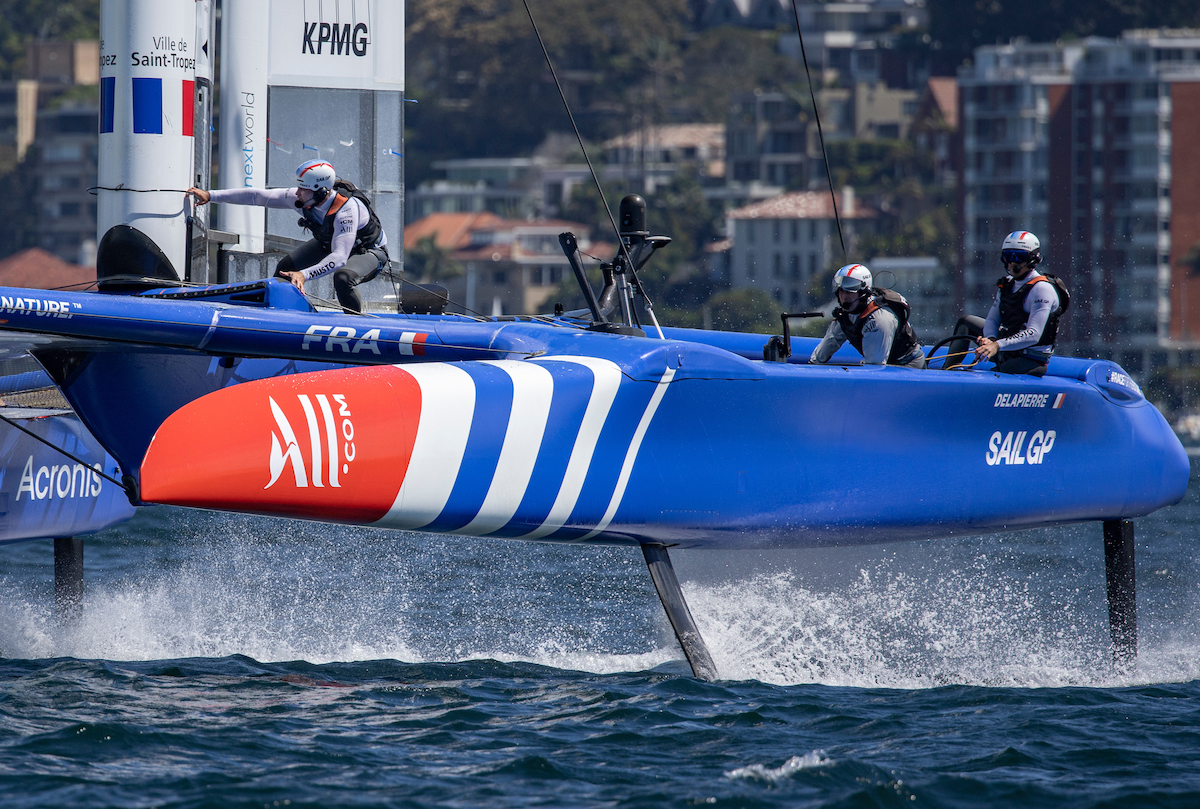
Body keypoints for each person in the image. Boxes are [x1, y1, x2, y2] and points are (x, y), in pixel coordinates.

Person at [189, 160, 388, 313]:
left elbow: (339, 258)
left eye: (303, 189)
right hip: (329, 243)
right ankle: (290, 318)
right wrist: (211, 195)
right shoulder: (304, 197)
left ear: (321, 192)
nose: (298, 193)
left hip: (369, 251)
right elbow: (257, 197)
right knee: (285, 270)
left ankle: (354, 326)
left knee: (343, 278)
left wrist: (304, 274)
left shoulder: (347, 210)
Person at [972, 231, 1063, 376]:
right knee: (966, 322)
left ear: (1033, 259)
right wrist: (990, 340)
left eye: (1019, 257)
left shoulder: (1041, 289)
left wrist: (997, 345)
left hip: (1030, 359)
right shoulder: (1007, 283)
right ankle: (946, 373)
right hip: (1007, 348)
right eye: (1008, 256)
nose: (1012, 262)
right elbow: (992, 320)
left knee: (1003, 370)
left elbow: (1034, 334)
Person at [810, 263, 926, 368]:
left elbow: (874, 370)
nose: (844, 296)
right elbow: (826, 348)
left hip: (908, 366)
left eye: (850, 291)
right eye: (841, 291)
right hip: (884, 366)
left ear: (863, 291)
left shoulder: (879, 320)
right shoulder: (845, 314)